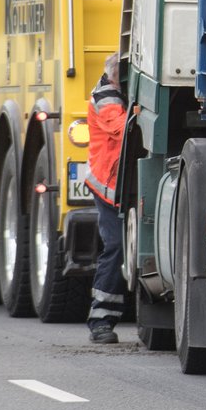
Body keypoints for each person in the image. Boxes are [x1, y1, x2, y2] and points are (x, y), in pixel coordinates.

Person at [83, 54, 128, 344]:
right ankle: (100, 319)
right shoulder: (106, 98)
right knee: (116, 246)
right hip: (108, 189)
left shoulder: (114, 94)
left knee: (125, 247)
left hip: (119, 187)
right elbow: (121, 128)